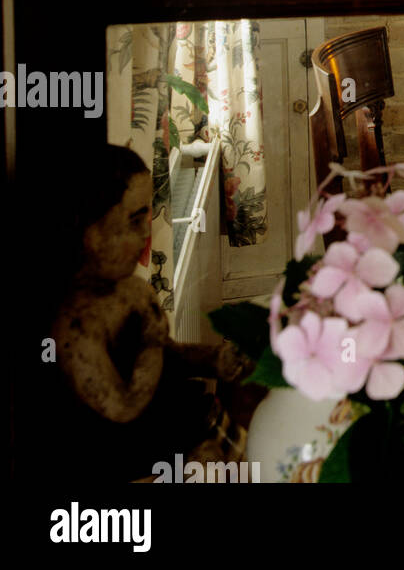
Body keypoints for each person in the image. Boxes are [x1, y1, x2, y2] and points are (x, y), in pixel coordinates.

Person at [42, 143, 252, 479]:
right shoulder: (75, 326)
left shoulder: (133, 290)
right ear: (89, 232)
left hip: (191, 423)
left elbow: (165, 354)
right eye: (134, 221)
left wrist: (210, 359)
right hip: (141, 459)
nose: (146, 233)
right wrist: (153, 345)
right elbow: (121, 407)